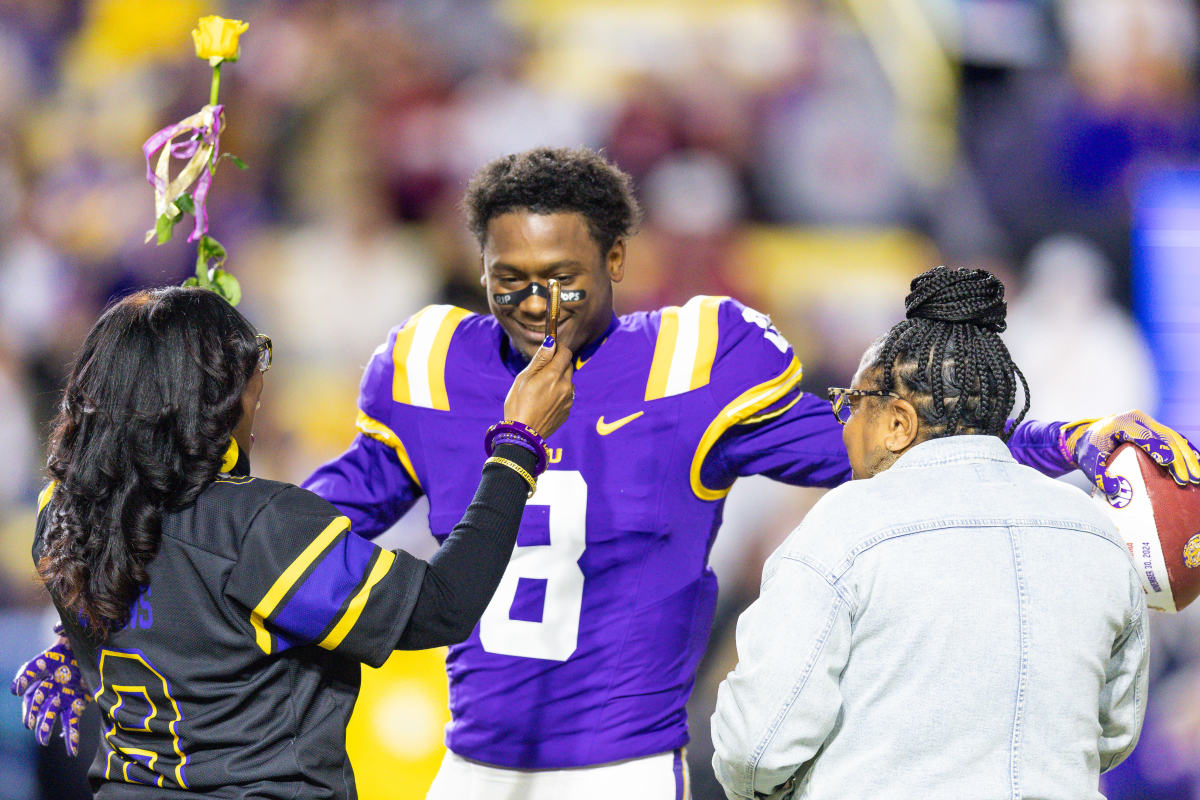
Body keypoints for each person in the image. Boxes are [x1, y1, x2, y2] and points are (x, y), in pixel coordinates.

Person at [19, 149, 1197, 798]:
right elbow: (294, 526)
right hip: (471, 760)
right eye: (510, 277)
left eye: (563, 276)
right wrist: (109, 611)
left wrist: (1062, 440)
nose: (536, 301)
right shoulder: (427, 362)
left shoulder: (696, 360)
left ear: (620, 258)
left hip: (621, 765)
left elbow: (875, 441)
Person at [12, 286, 574, 798]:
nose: (259, 390)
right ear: (206, 398)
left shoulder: (57, 514)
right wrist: (516, 449)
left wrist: (83, 640)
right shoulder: (257, 525)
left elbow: (156, 583)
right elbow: (441, 607)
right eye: (253, 368)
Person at [710, 267, 1148, 800]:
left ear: (898, 422)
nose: (843, 427)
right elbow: (1113, 733)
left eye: (851, 404)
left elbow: (755, 749)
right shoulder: (1094, 532)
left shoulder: (845, 526)